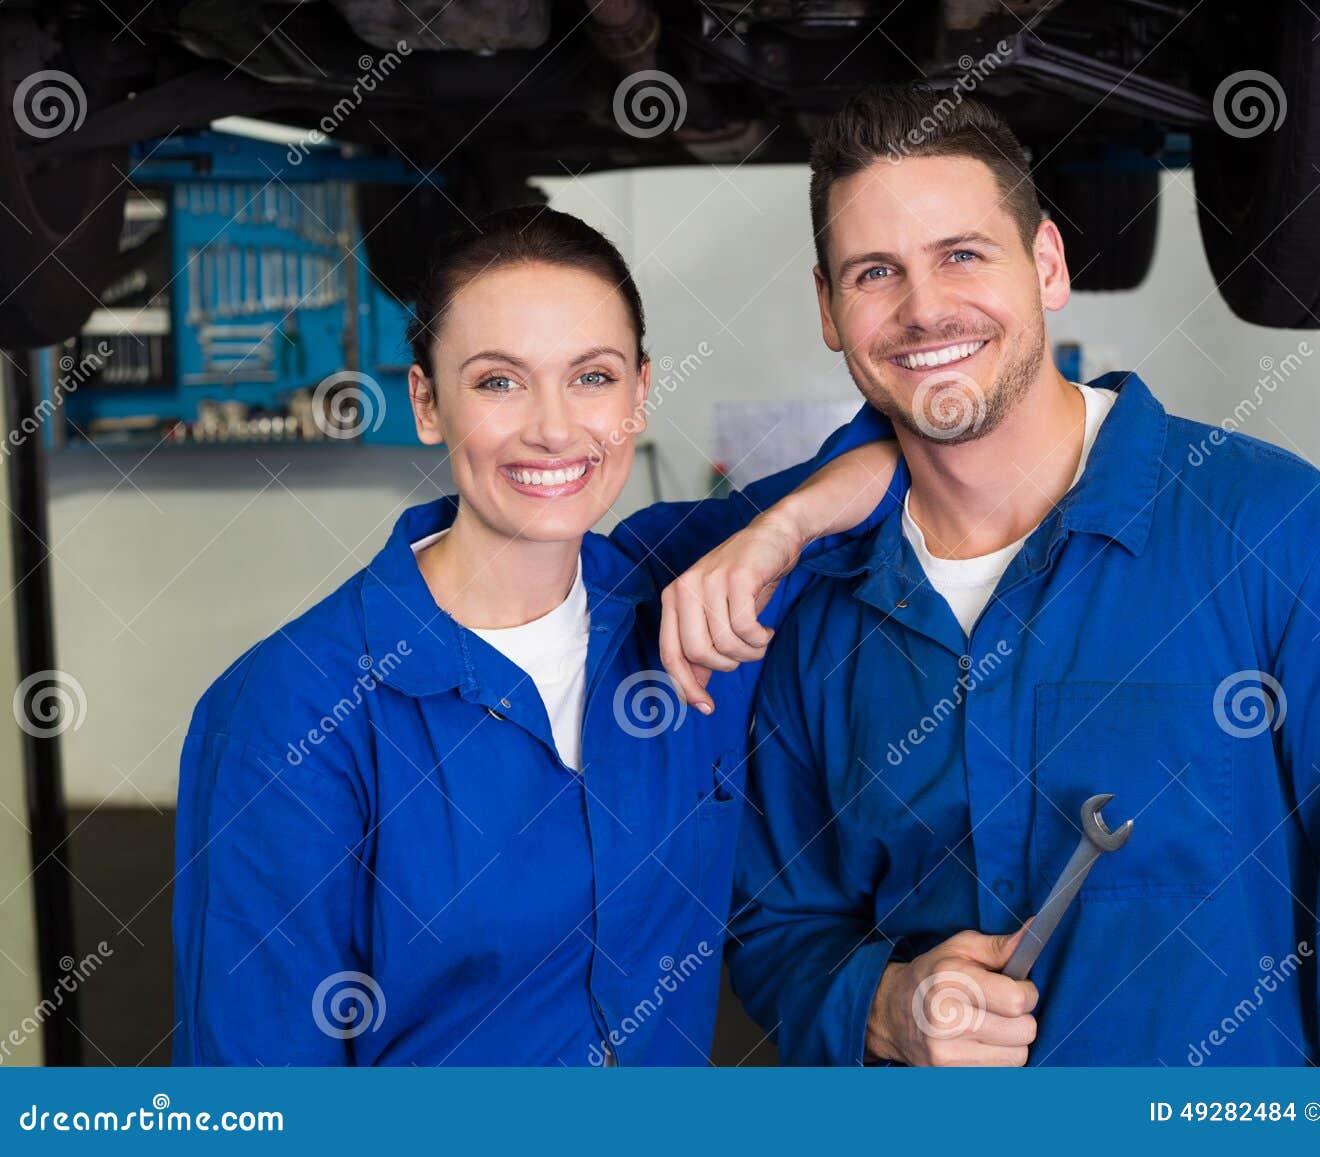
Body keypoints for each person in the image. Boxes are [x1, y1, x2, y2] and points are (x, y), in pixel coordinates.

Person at [716, 85, 1320, 1066]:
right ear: (828, 309)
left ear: (1047, 264)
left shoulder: (1296, 548)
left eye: (961, 254)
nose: (924, 308)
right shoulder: (817, 614)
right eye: (874, 272)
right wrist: (877, 1005)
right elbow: (778, 925)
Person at [172, 205, 899, 1065]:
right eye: (498, 381)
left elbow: (909, 452)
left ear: (639, 389)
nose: (553, 427)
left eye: (592, 377)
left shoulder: (690, 588)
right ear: (426, 401)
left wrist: (782, 531)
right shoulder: (292, 709)